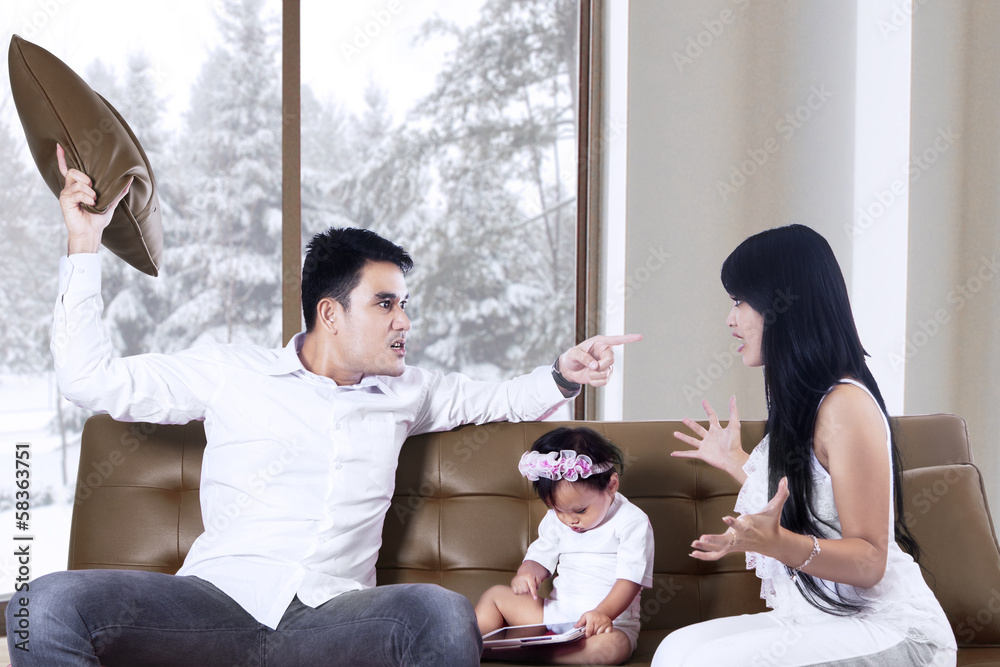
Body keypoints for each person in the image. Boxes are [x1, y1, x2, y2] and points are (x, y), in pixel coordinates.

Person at [4, 145, 641, 667]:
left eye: (405, 304)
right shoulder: (232, 371)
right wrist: (83, 246)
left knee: (443, 611)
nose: (404, 322)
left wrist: (564, 373)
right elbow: (89, 379)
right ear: (330, 314)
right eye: (386, 303)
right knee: (45, 607)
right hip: (214, 607)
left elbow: (500, 397)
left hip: (337, 622)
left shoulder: (407, 392)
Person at [651, 225, 957, 666]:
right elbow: (806, 494)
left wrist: (778, 544)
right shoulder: (806, 402)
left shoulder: (846, 405)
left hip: (894, 631)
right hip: (826, 621)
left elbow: (870, 562)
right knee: (675, 650)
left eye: (739, 301)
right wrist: (737, 462)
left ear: (783, 304)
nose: (730, 318)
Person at [475, 427, 654, 665]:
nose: (570, 520)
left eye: (580, 510)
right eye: (558, 510)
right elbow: (542, 555)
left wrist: (603, 613)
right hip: (554, 614)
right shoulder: (556, 520)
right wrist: (529, 570)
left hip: (604, 624)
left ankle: (514, 652)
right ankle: (471, 643)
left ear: (611, 485)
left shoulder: (632, 521)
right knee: (496, 595)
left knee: (611, 648)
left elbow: (630, 580)